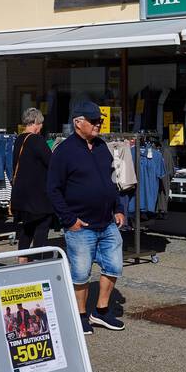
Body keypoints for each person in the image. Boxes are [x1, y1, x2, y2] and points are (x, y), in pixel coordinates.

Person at [46, 100, 127, 335]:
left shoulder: (102, 147)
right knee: (81, 273)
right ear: (77, 122)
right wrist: (69, 220)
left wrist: (119, 208)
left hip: (107, 222)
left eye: (99, 121)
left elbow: (112, 181)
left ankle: (101, 311)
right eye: (93, 121)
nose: (98, 124)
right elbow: (53, 189)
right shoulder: (64, 151)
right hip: (80, 225)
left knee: (114, 267)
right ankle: (80, 315)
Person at [10, 107, 56, 260]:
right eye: (41, 123)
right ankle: (37, 260)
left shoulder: (19, 139)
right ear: (36, 122)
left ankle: (22, 258)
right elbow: (51, 163)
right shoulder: (37, 140)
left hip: (22, 195)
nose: (42, 127)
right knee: (42, 226)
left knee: (27, 227)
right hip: (38, 196)